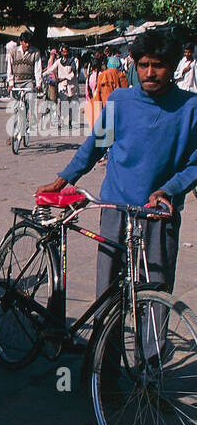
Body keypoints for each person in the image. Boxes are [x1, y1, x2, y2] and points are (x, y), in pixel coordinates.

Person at [38, 29, 197, 302]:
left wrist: (170, 189)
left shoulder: (190, 107)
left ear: (172, 66)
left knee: (156, 294)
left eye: (158, 65)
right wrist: (64, 178)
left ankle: (152, 347)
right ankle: (103, 346)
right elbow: (96, 145)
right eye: (143, 64)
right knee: (108, 291)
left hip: (159, 213)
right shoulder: (120, 100)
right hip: (115, 207)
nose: (149, 73)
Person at [6, 31, 43, 139]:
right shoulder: (13, 52)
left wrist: (39, 83)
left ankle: (29, 121)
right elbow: (10, 69)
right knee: (14, 107)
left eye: (29, 42)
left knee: (30, 101)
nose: (27, 45)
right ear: (21, 42)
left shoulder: (35, 52)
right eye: (25, 42)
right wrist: (11, 83)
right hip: (16, 81)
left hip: (28, 81)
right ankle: (14, 131)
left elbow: (38, 68)